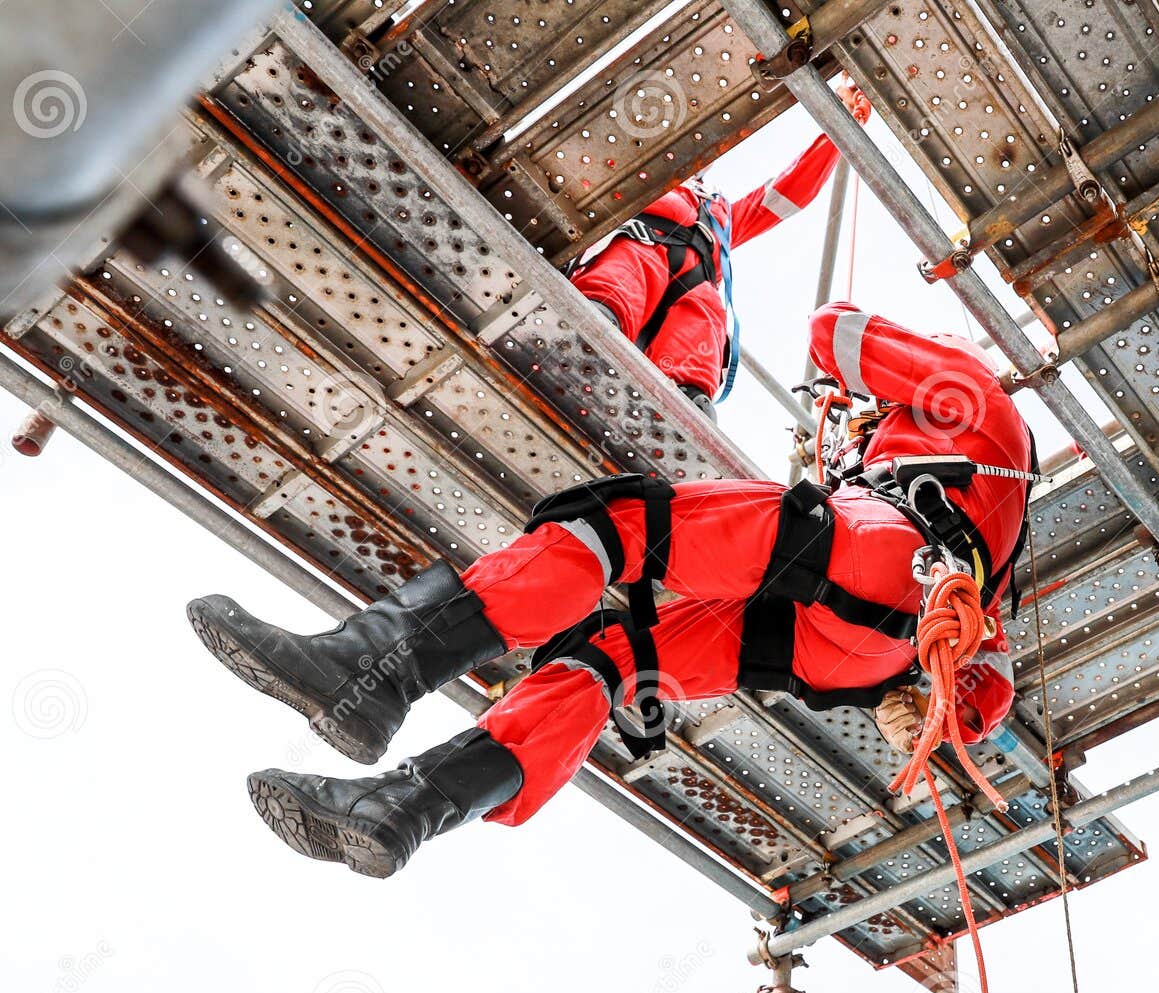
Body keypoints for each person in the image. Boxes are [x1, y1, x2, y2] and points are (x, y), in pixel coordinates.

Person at [187, 302, 1035, 877]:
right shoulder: (993, 538)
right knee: (614, 654)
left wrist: (860, 387)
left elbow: (833, 330)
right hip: (863, 648)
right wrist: (927, 704)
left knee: (618, 528)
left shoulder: (981, 407)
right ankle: (405, 807)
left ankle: (369, 667)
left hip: (874, 551)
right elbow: (980, 690)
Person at [569, 84, 872, 417]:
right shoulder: (637, 176)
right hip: (642, 246)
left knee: (705, 311)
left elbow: (790, 189)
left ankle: (689, 398)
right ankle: (594, 322)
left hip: (696, 282)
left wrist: (839, 122)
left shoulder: (720, 214)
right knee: (628, 272)